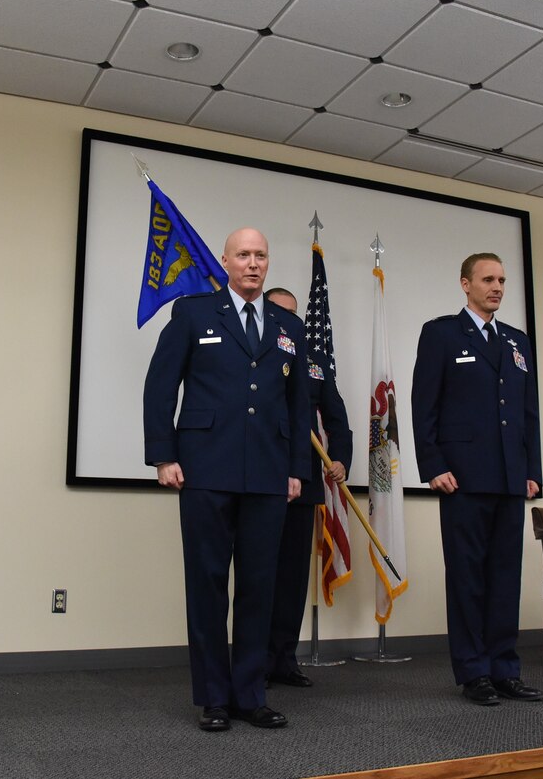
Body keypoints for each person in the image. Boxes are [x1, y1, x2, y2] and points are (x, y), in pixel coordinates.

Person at [143, 227, 310, 732]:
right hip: (204, 468)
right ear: (225, 261)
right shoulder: (193, 313)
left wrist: (297, 468)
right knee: (208, 585)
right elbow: (160, 385)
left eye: (261, 254)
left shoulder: (288, 326)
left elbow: (300, 405)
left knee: (260, 588)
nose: (253, 263)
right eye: (244, 255)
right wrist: (162, 455)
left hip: (267, 472)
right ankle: (215, 697)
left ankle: (250, 695)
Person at [411, 252, 543, 707]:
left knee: (506, 578)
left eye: (503, 280)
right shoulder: (442, 333)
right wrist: (432, 465)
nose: (498, 287)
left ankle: (504, 668)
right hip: (463, 478)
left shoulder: (517, 341)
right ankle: (474, 672)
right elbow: (423, 404)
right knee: (468, 578)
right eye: (488, 279)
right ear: (465, 284)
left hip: (510, 477)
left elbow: (529, 415)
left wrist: (533, 472)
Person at [262, 287, 352, 689]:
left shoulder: (314, 366)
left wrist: (341, 459)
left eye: (295, 316)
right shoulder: (253, 353)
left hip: (306, 481)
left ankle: (283, 658)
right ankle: (253, 660)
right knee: (258, 573)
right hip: (261, 480)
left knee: (294, 577)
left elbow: (337, 416)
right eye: (281, 314)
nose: (289, 323)